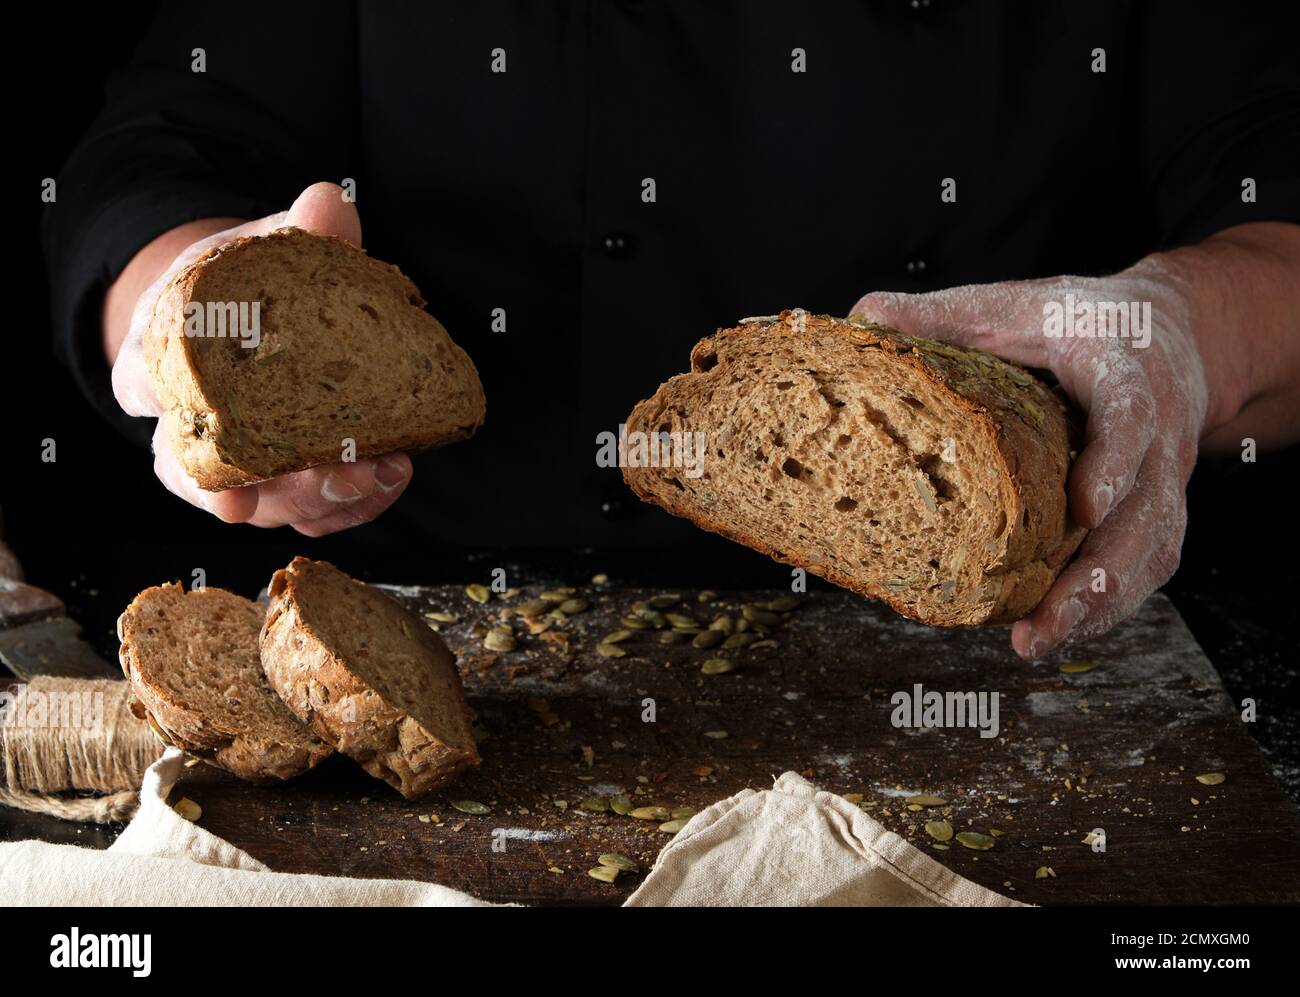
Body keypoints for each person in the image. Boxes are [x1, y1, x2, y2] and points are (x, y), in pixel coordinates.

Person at [42, 1, 1299, 660]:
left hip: (1020, 663)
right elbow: (163, 155)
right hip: (450, 633)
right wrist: (195, 320)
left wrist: (1187, 328)